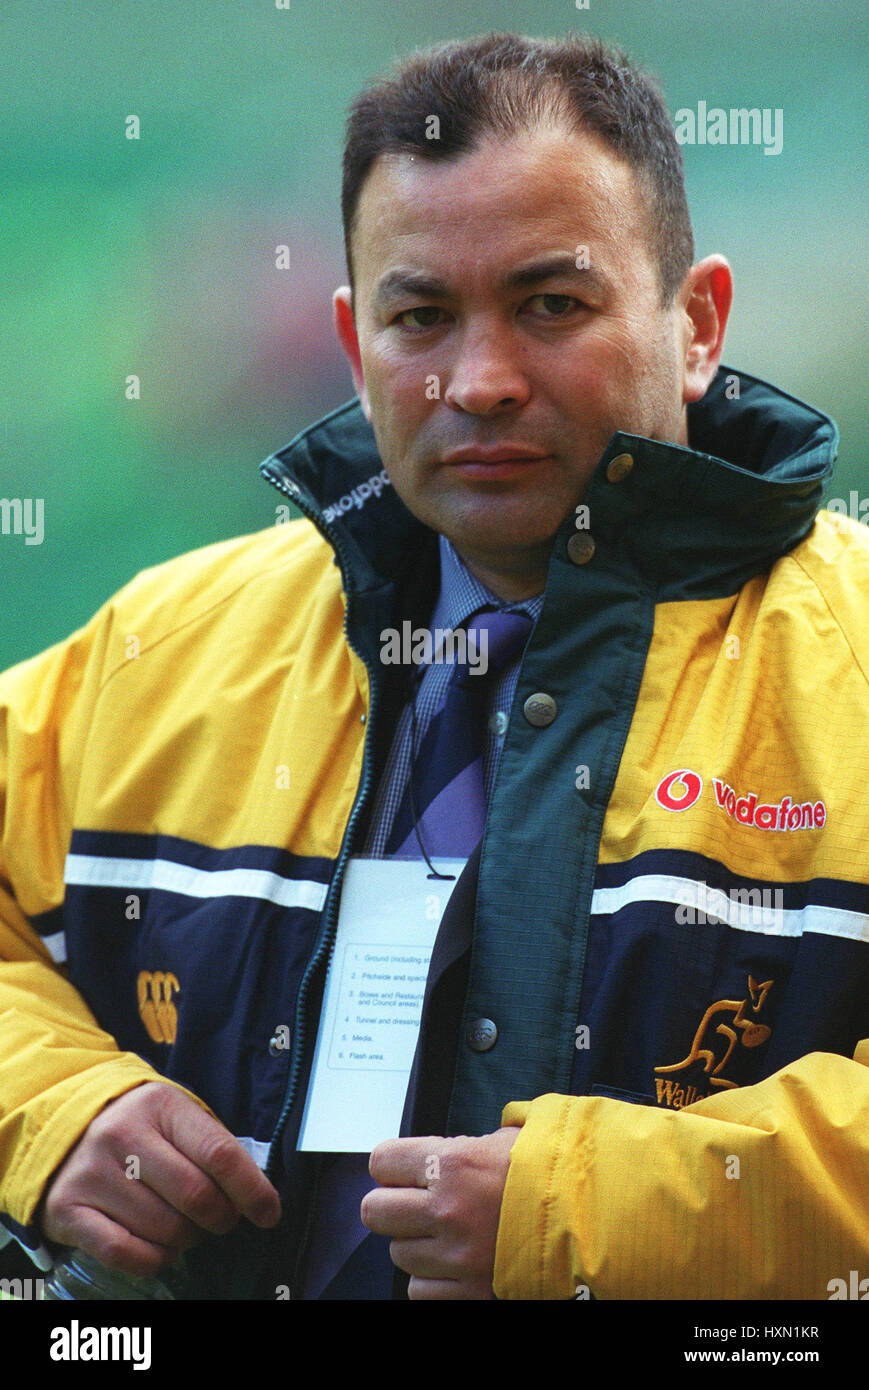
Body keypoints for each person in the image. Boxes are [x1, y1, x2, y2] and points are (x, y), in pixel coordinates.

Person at [1, 31, 867, 1302]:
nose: (478, 380)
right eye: (421, 318)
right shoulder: (159, 646)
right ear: (355, 345)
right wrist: (48, 1103)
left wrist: (594, 1215)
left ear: (696, 325)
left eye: (550, 305)